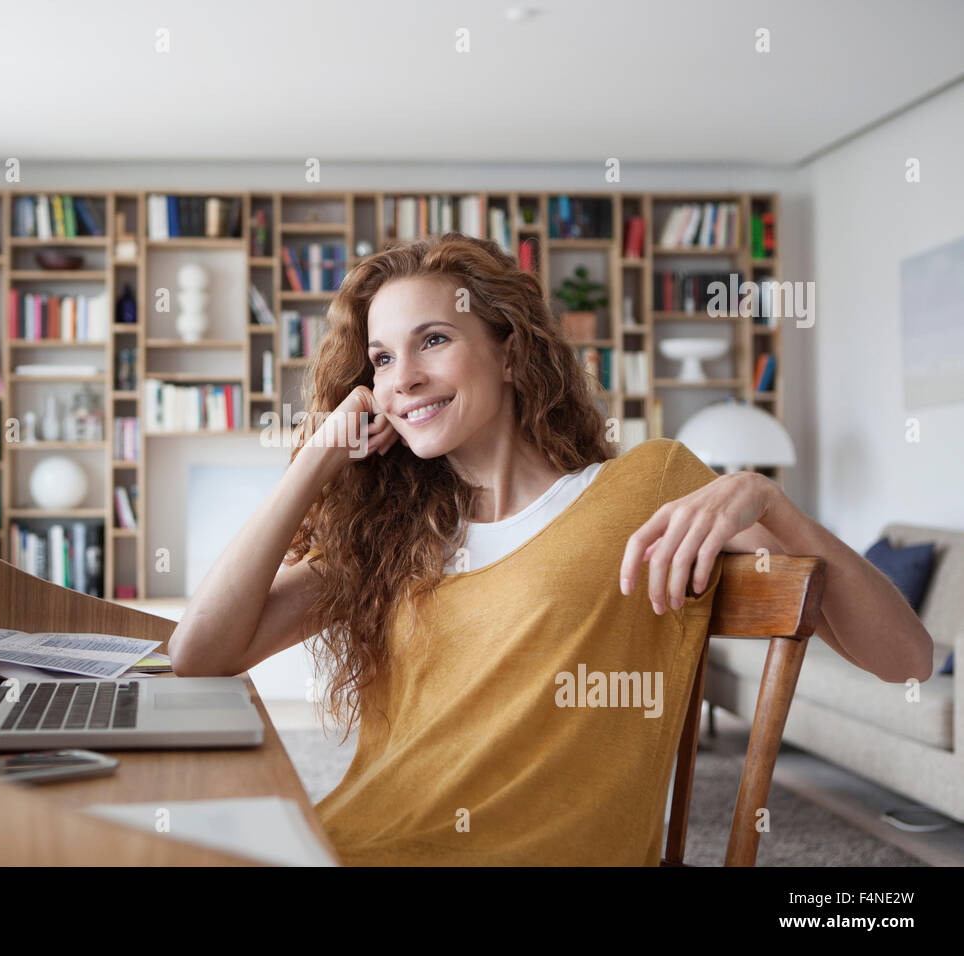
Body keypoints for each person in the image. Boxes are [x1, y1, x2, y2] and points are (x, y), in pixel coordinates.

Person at [168, 233, 934, 866]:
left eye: (433, 340)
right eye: (382, 359)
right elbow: (198, 653)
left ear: (509, 352)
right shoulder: (392, 537)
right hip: (350, 845)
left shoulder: (649, 485)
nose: (405, 380)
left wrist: (766, 499)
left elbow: (906, 660)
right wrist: (315, 462)